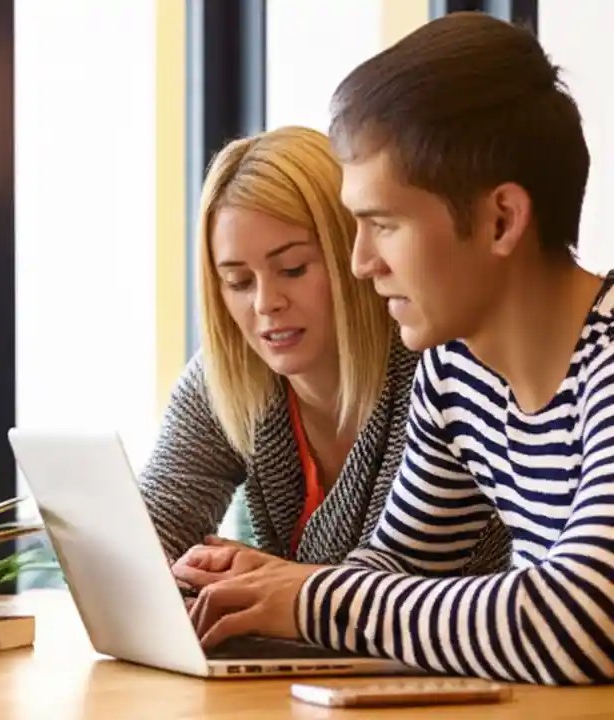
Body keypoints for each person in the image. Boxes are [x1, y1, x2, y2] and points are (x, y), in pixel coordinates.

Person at [181, 13, 614, 686]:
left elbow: (581, 621)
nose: (359, 263)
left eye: (383, 224)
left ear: (502, 219)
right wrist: (266, 592)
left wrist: (307, 598)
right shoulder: (458, 373)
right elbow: (397, 568)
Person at [138, 126, 509, 578]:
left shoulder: (438, 369)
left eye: (293, 269)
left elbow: (401, 582)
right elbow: (150, 534)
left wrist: (271, 583)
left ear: (353, 252)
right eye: (238, 282)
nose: (265, 303)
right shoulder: (227, 377)